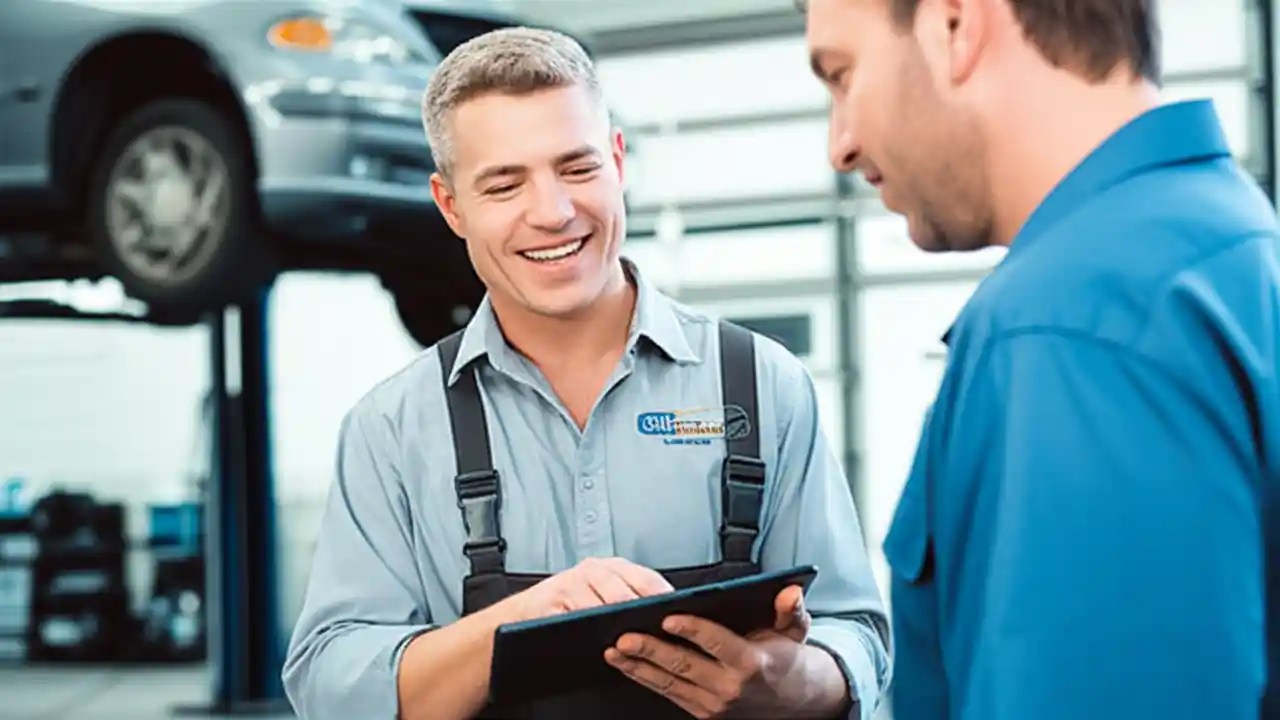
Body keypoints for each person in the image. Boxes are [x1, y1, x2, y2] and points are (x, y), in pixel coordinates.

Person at [282, 26, 891, 720]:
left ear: (618, 161)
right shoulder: (391, 430)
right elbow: (330, 683)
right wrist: (522, 622)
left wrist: (789, 682)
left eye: (577, 169)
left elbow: (857, 633)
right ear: (451, 205)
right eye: (504, 184)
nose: (553, 213)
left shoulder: (761, 387)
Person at [801, 0, 1280, 718]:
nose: (839, 145)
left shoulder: (1071, 323)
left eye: (842, 75)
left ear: (954, 25)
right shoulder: (1222, 246)